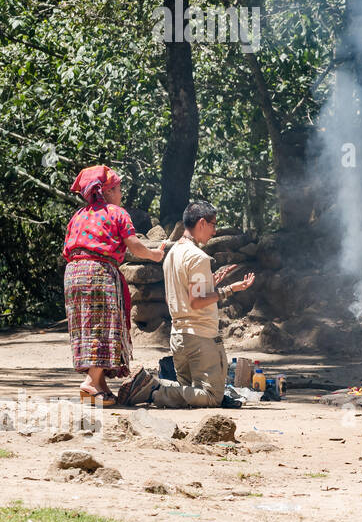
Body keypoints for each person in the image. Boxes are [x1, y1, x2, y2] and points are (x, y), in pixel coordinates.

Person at [117, 201, 254, 407]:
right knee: (211, 396)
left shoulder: (172, 254)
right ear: (201, 223)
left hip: (179, 337)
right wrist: (231, 289)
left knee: (189, 393)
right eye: (213, 224)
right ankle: (154, 389)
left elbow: (180, 292)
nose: (214, 231)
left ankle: (148, 384)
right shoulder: (198, 257)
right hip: (200, 337)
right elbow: (197, 301)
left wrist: (212, 282)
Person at [62, 165, 168, 404]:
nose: (121, 195)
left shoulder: (79, 215)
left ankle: (100, 387)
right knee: (102, 327)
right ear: (108, 191)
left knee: (86, 327)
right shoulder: (116, 213)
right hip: (99, 271)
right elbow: (134, 245)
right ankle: (90, 383)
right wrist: (154, 255)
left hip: (74, 273)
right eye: (119, 190)